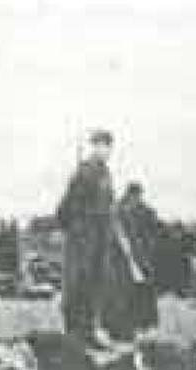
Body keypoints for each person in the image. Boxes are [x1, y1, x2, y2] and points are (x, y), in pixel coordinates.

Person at [56, 129, 116, 343]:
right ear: (94, 147)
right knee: (77, 283)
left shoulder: (105, 174)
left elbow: (108, 205)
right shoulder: (84, 172)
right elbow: (66, 206)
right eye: (100, 146)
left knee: (95, 284)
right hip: (83, 237)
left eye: (108, 147)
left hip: (100, 236)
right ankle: (74, 333)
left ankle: (88, 331)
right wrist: (76, 230)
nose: (105, 150)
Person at [106, 182, 160, 339]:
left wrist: (142, 253)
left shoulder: (143, 211)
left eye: (138, 197)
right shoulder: (116, 211)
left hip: (137, 258)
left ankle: (143, 325)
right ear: (129, 195)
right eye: (135, 196)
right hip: (121, 260)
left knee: (142, 290)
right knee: (122, 294)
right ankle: (122, 329)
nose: (137, 199)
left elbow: (147, 235)